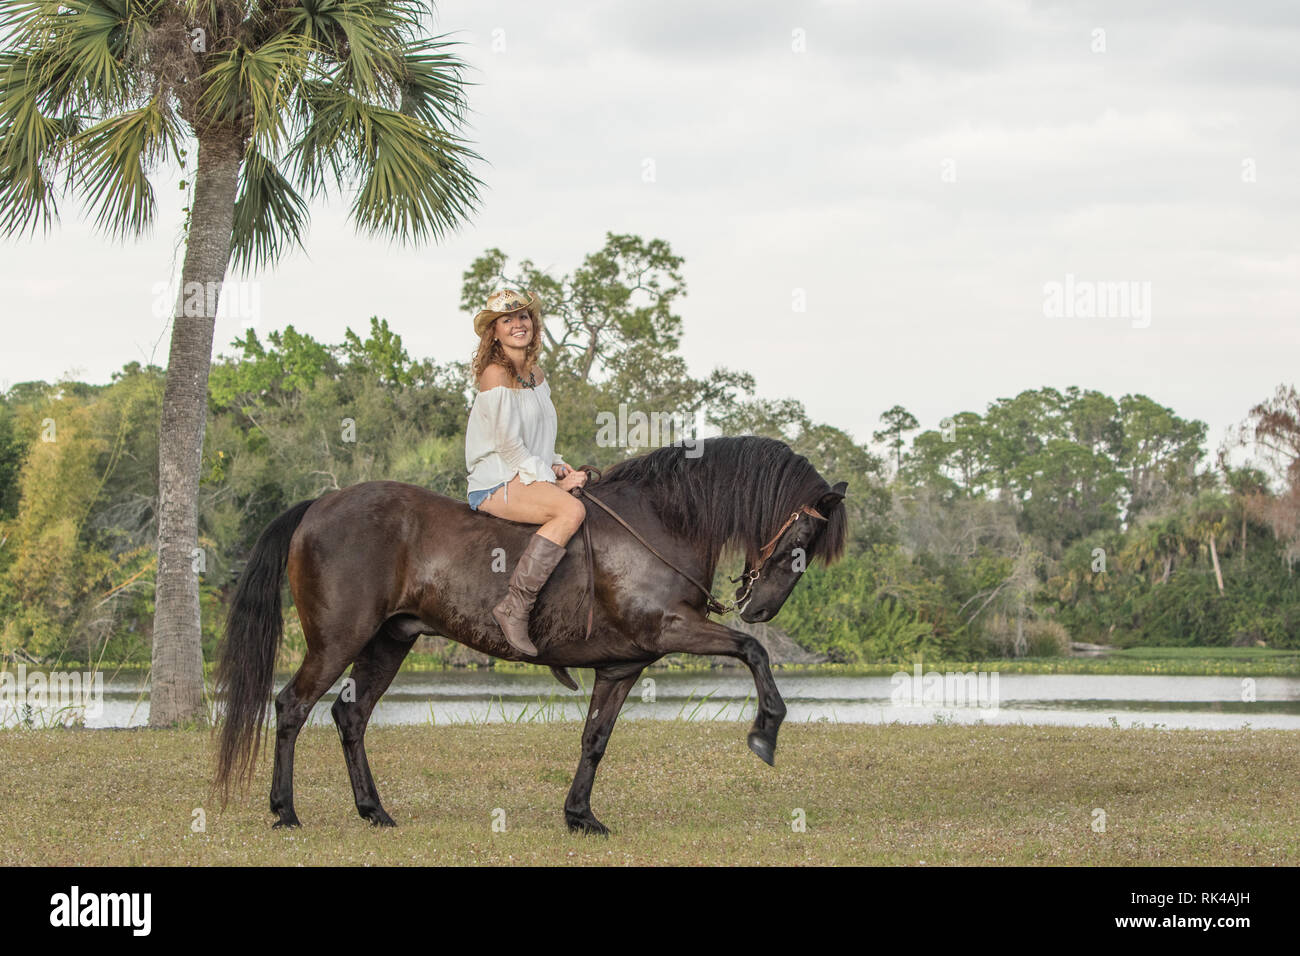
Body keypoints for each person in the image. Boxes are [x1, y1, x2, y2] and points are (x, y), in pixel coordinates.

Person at [465, 289, 588, 656]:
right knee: (571, 510)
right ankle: (514, 608)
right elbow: (509, 447)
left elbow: (538, 439)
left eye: (523, 317)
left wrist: (555, 462)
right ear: (495, 332)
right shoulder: (495, 374)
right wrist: (556, 484)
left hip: (526, 471)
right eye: (508, 320)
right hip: (497, 478)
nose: (519, 324)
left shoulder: (536, 373)